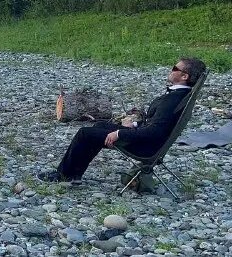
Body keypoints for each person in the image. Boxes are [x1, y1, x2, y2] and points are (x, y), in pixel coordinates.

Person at [38, 57, 206, 185]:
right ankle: (74, 173)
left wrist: (120, 133)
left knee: (84, 133)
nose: (171, 69)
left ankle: (63, 175)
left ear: (184, 76)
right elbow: (158, 124)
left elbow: (155, 131)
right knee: (100, 126)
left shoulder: (173, 100)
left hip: (147, 146)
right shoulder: (180, 96)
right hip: (149, 139)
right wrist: (133, 125)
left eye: (175, 67)